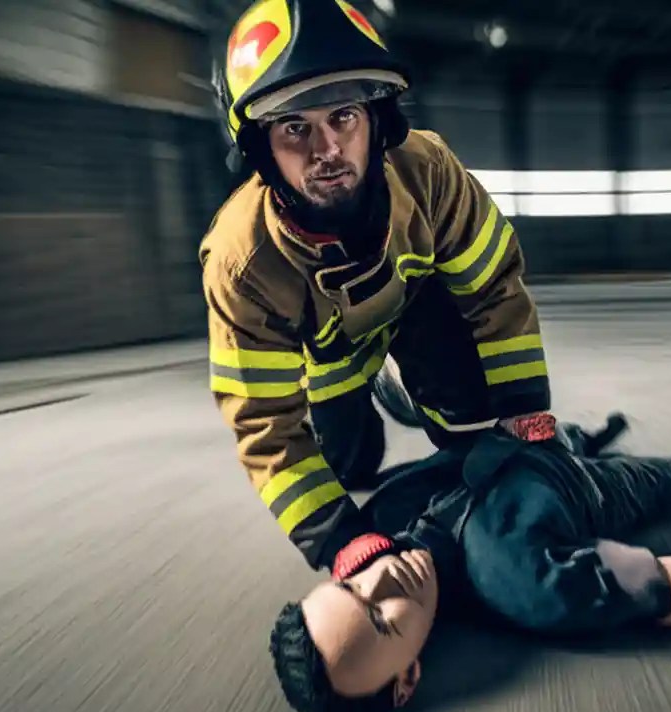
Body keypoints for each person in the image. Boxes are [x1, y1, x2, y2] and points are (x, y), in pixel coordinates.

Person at [202, 0, 556, 576]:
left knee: (473, 428)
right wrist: (340, 539)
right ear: (259, 147)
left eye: (343, 116)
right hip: (331, 368)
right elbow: (263, 421)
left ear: (377, 120)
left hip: (416, 319)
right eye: (295, 128)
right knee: (348, 470)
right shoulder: (240, 262)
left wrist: (524, 412)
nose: (327, 151)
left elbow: (494, 289)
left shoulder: (429, 171)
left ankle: (408, 383)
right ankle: (373, 394)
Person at [267, 415, 671, 712]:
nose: (384, 577)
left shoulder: (380, 524)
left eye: (352, 588)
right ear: (409, 679)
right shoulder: (524, 585)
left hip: (520, 438)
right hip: (586, 488)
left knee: (556, 429)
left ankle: (587, 433)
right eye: (382, 619)